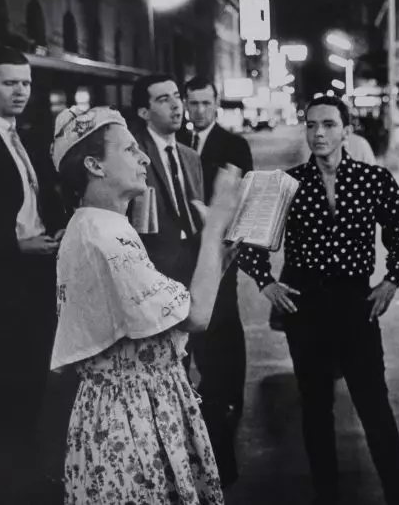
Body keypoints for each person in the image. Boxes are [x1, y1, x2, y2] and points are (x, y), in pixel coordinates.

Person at [49, 105, 242, 503]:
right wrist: (215, 227)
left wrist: (218, 255)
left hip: (135, 409)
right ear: (94, 165)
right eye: (129, 150)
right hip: (131, 420)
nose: (143, 158)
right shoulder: (105, 237)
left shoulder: (96, 225)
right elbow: (197, 315)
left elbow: (171, 313)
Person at [237, 95, 399, 505]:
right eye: (312, 124)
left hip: (357, 300)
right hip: (307, 305)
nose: (319, 133)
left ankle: (398, 496)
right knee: (315, 406)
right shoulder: (287, 182)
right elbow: (246, 240)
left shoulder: (373, 179)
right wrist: (266, 282)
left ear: (346, 130)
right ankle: (327, 494)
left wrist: (391, 280)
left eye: (329, 124)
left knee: (374, 403)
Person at [0, 46, 67, 502]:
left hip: (35, 280)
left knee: (31, 384)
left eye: (26, 82)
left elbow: (35, 197)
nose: (22, 91)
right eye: (10, 83)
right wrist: (16, 245)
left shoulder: (23, 134)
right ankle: (0, 484)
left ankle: (22, 475)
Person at [177, 76, 254, 487]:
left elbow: (243, 197)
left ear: (216, 104)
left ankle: (227, 403)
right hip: (185, 258)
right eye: (193, 103)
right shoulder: (180, 141)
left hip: (220, 251)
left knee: (223, 329)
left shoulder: (232, 144)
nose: (199, 110)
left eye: (206, 103)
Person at [132, 74, 204, 287]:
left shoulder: (191, 156)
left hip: (194, 261)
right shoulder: (134, 154)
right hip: (154, 268)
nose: (176, 105)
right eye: (163, 100)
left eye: (177, 96)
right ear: (144, 112)